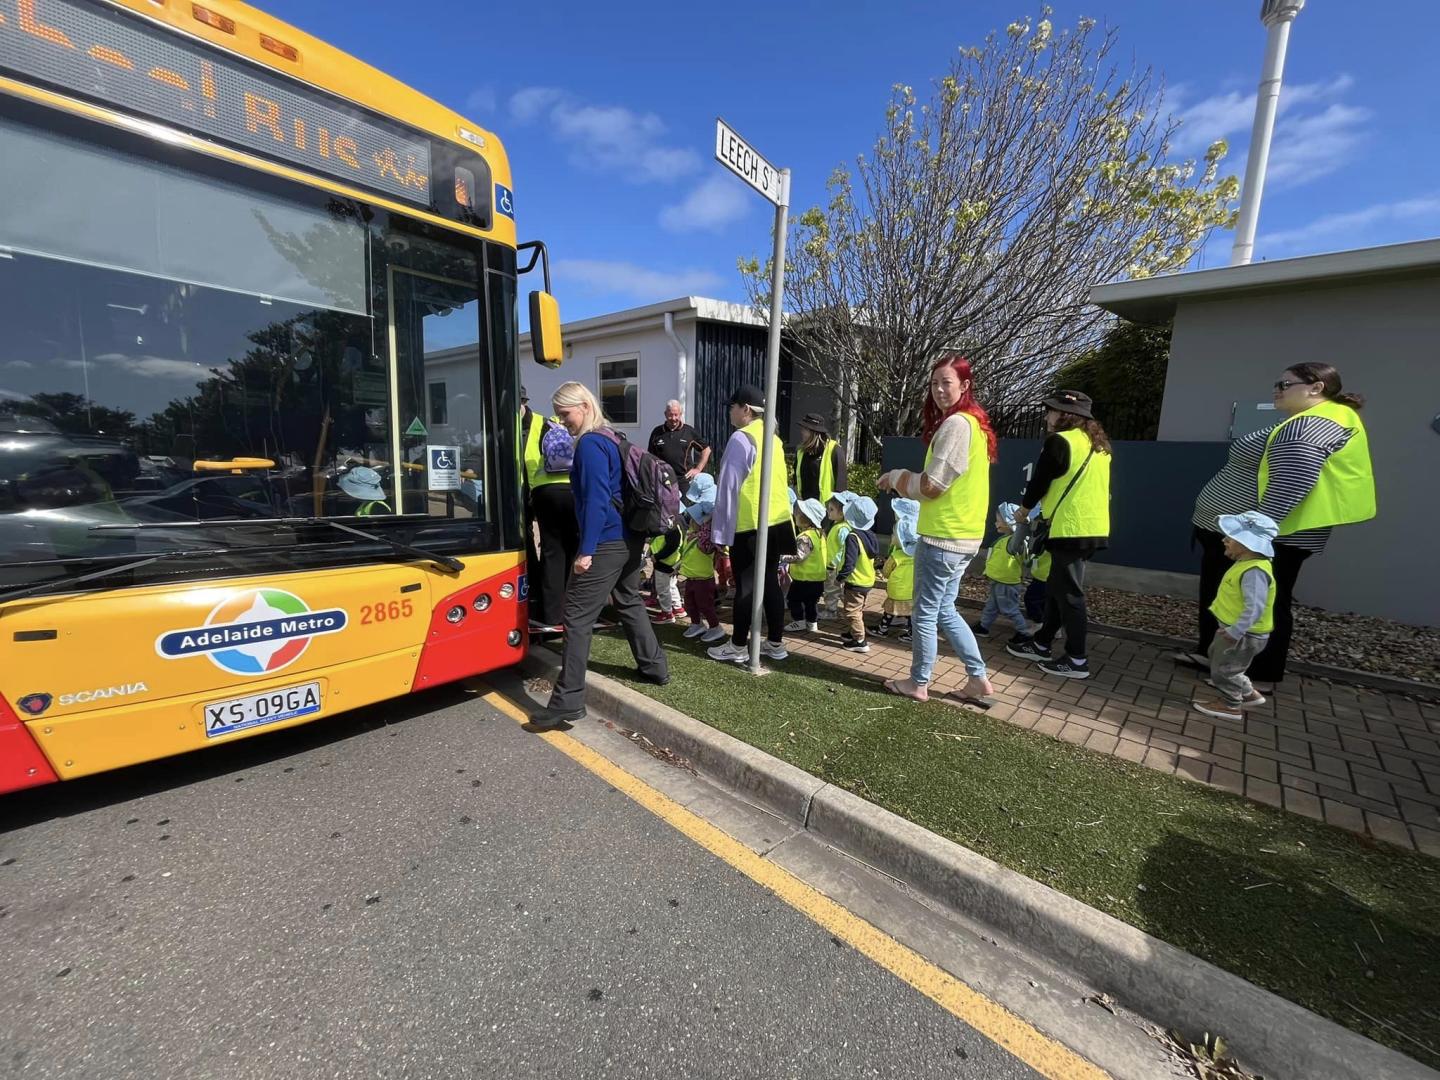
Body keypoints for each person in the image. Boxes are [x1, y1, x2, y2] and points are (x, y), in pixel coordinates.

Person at [1175, 362, 1375, 693]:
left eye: (1285, 384)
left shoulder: (1313, 424)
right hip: (1249, 534)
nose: (1276, 390)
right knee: (1228, 596)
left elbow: (1291, 482)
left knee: (1263, 601)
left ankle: (1257, 674)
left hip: (1270, 538)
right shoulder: (1312, 419)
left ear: (1316, 388)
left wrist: (1253, 536)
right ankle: (1216, 658)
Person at [535, 382, 667, 729]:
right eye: (558, 416)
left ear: (584, 406)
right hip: (629, 539)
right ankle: (655, 667)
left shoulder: (591, 444)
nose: (562, 422)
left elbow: (595, 500)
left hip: (606, 540)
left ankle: (568, 701)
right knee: (628, 600)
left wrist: (586, 551)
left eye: (565, 414)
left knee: (576, 616)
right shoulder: (611, 437)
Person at [877, 355, 997, 703]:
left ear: (964, 385)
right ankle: (978, 678)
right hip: (963, 537)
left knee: (925, 613)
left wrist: (896, 478)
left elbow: (932, 486)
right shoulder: (973, 424)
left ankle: (918, 682)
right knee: (945, 610)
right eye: (934, 383)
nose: (939, 390)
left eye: (947, 382)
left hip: (943, 538)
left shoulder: (957, 425)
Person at [1007, 390, 1112, 681]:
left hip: (1069, 528)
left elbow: (1039, 482)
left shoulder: (1060, 441)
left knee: (1070, 595)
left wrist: (1024, 510)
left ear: (1066, 414)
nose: (1047, 416)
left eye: (1051, 411)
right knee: (1056, 588)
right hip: (1092, 527)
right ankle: (1042, 643)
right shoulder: (1098, 445)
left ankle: (1077, 659)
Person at [707, 384, 796, 664]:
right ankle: (775, 643)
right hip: (777, 521)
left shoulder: (741, 438)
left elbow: (728, 488)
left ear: (745, 409)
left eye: (732, 407)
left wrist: (719, 533)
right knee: (769, 582)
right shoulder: (773, 438)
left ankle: (737, 646)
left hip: (749, 524)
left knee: (745, 585)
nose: (730, 412)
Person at [1192, 512, 1281, 722]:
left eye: (1231, 538)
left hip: (1243, 634)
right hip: (1236, 630)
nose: (1224, 540)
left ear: (1247, 544)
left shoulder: (1254, 572)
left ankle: (1231, 705)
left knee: (1224, 670)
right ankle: (1249, 694)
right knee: (1218, 657)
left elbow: (1255, 607)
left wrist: (1236, 631)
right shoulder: (1247, 564)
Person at [522, 385, 579, 635]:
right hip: (571, 490)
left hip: (543, 491)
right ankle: (573, 610)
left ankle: (551, 614)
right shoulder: (552, 424)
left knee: (552, 552)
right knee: (573, 549)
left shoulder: (533, 426)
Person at [972, 502, 1031, 642]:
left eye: (999, 520)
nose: (996, 523)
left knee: (1009, 609)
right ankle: (983, 626)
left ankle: (1024, 633)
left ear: (1008, 522)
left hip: (1006, 584)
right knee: (991, 606)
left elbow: (1020, 534)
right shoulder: (1004, 539)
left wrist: (1021, 523)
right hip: (998, 581)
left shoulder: (1013, 543)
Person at [833, 494, 879, 653]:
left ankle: (860, 640)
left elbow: (849, 562)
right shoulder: (870, 535)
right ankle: (853, 632)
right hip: (867, 580)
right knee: (858, 609)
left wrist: (840, 577)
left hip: (855, 581)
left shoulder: (852, 537)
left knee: (852, 611)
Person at [678, 495, 727, 644]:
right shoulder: (691, 535)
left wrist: (707, 525)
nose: (690, 521)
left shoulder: (706, 540)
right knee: (689, 603)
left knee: (705, 605)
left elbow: (709, 545)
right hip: (691, 577)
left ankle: (715, 627)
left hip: (704, 579)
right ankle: (696, 624)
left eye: (694, 519)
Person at [873, 497, 918, 642]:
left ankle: (882, 629)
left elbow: (886, 571)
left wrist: (883, 571)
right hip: (912, 590)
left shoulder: (896, 556)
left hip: (896, 589)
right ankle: (912, 633)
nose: (892, 536)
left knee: (889, 611)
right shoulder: (918, 555)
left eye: (894, 534)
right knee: (910, 612)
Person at [783, 497, 828, 632]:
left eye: (799, 513)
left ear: (807, 519)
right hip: (818, 578)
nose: (795, 515)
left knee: (793, 599)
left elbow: (798, 556)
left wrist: (782, 557)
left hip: (804, 578)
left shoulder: (805, 537)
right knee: (811, 603)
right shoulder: (820, 534)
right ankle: (812, 623)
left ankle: (799, 621)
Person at [648, 399, 711, 484]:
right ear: (665, 414)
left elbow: (706, 450)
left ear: (680, 414)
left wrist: (698, 469)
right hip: (663, 480)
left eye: (676, 415)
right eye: (670, 415)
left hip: (684, 480)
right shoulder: (657, 432)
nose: (673, 418)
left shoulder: (689, 431)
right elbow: (650, 457)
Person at [795, 413, 848, 505]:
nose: (801, 432)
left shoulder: (834, 450)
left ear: (814, 433)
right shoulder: (800, 452)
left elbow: (841, 488)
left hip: (826, 509)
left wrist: (834, 510)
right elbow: (796, 481)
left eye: (805, 429)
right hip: (804, 507)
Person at [647, 525, 686, 625]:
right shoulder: (673, 526)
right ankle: (678, 608)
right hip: (669, 562)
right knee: (671, 586)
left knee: (662, 589)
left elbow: (671, 546)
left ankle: (667, 614)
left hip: (664, 563)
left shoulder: (671, 529)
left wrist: (657, 556)